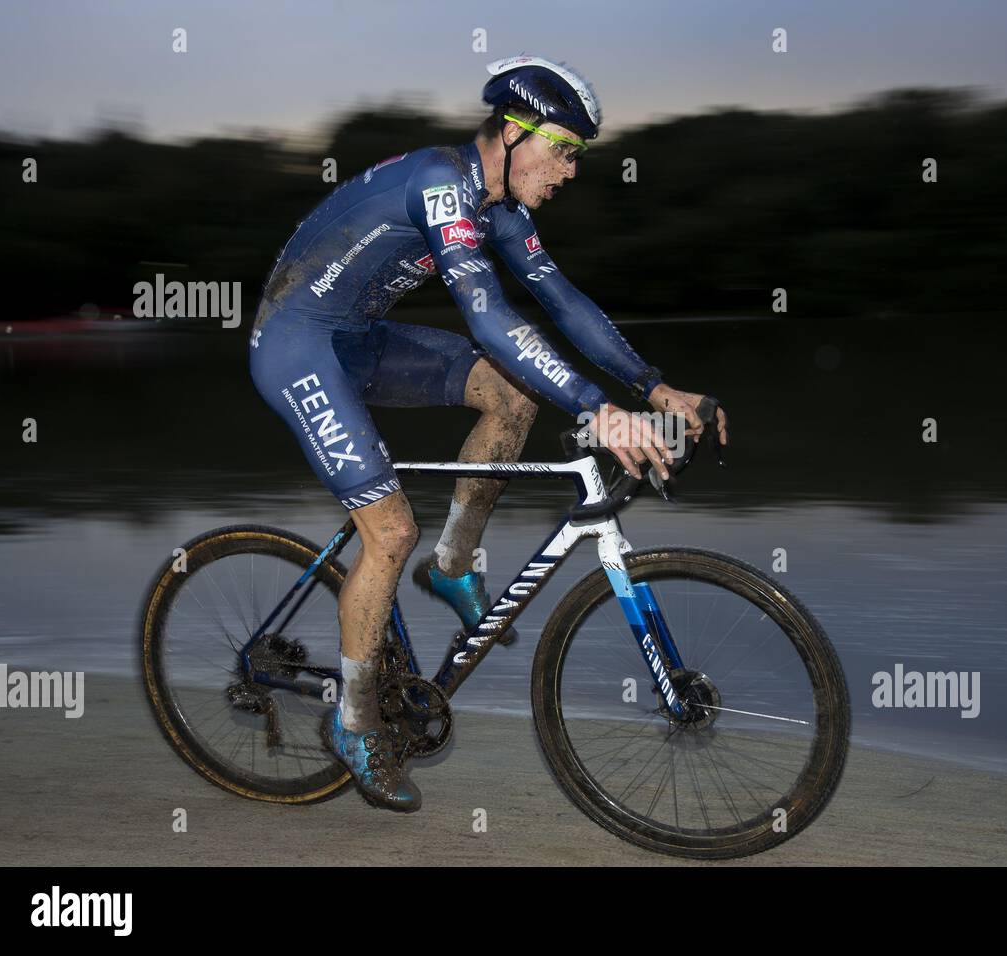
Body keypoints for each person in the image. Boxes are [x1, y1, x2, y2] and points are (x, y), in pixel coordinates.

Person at [248, 55, 728, 811]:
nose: (570, 171)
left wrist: (650, 386)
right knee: (387, 532)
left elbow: (561, 302)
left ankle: (454, 563)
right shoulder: (444, 184)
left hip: (359, 340)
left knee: (511, 398)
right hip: (297, 345)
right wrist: (595, 409)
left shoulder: (500, 207)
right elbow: (487, 318)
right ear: (512, 133)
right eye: (562, 150)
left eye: (578, 155)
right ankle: (354, 721)